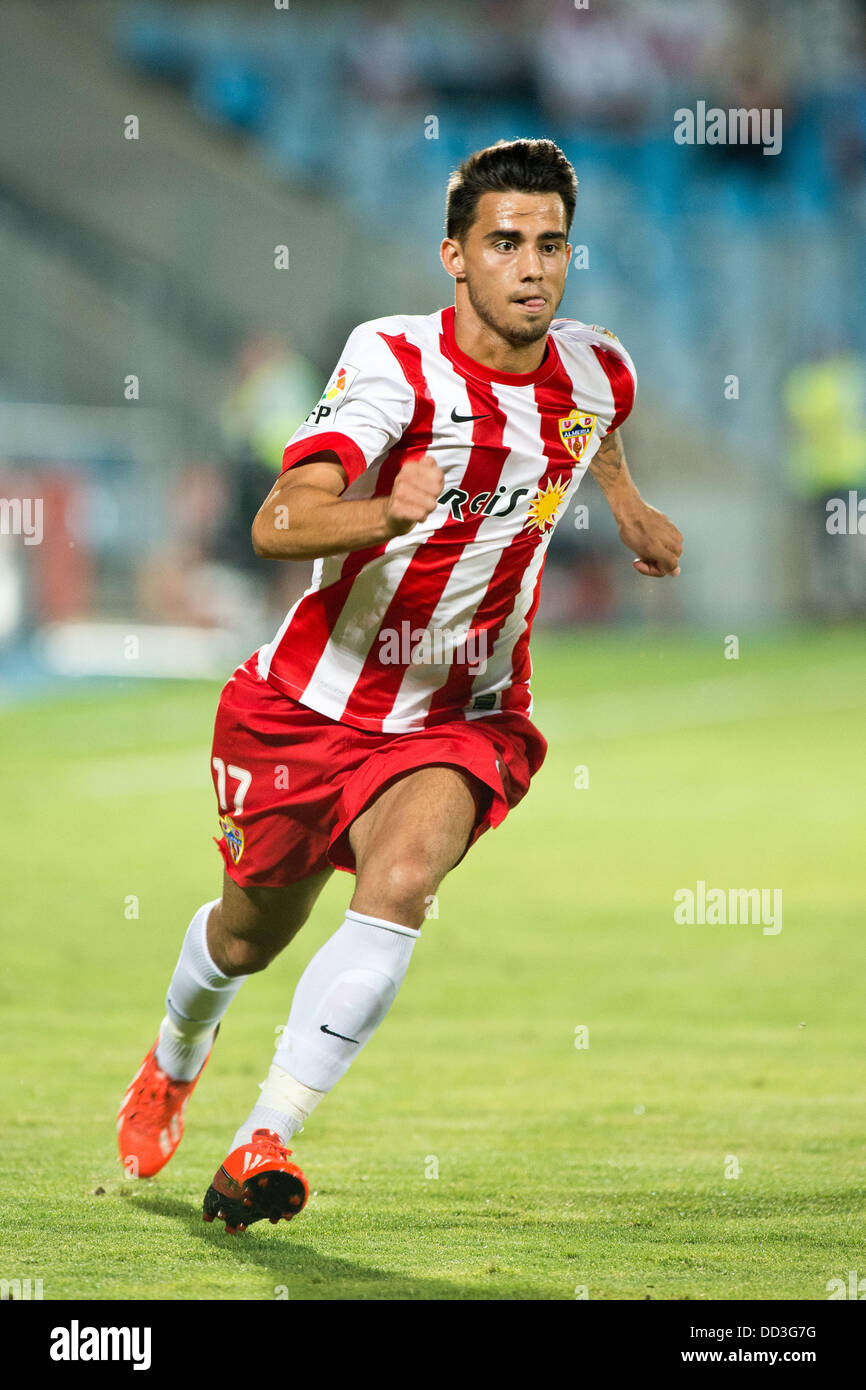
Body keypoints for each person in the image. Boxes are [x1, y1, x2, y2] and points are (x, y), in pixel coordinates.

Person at [117, 138, 683, 1234]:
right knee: (245, 936)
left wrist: (624, 504)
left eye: (551, 243)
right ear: (453, 258)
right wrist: (384, 512)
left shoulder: (596, 366)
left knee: (406, 877)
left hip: (460, 714)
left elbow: (594, 426)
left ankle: (263, 1138)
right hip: (310, 707)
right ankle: (173, 1061)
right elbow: (276, 519)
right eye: (503, 243)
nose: (531, 266)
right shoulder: (393, 363)